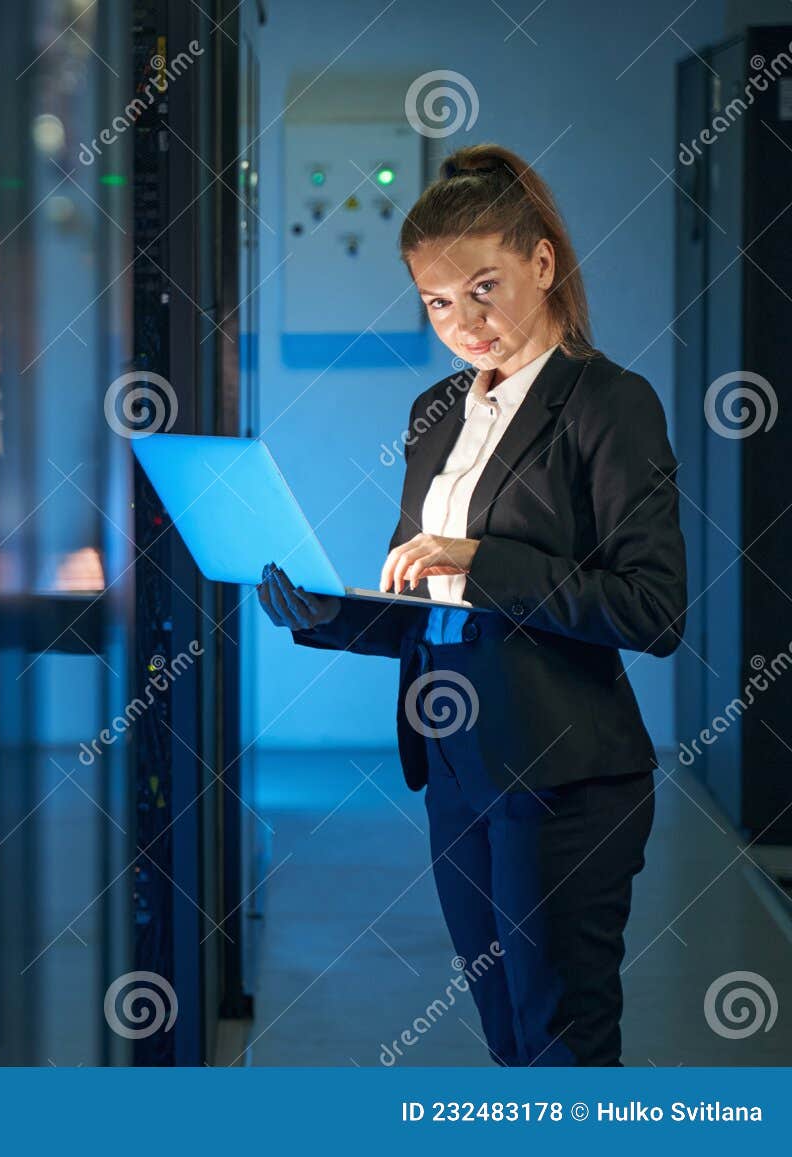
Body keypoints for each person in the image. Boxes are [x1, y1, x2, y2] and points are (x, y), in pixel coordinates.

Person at [256, 142, 686, 1067]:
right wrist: (322, 614)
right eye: (439, 302)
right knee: (507, 1038)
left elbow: (653, 611)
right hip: (456, 767)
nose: (464, 322)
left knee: (560, 1044)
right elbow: (434, 600)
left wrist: (482, 559)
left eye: (484, 288)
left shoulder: (609, 404)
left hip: (563, 774)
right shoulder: (436, 413)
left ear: (542, 263)